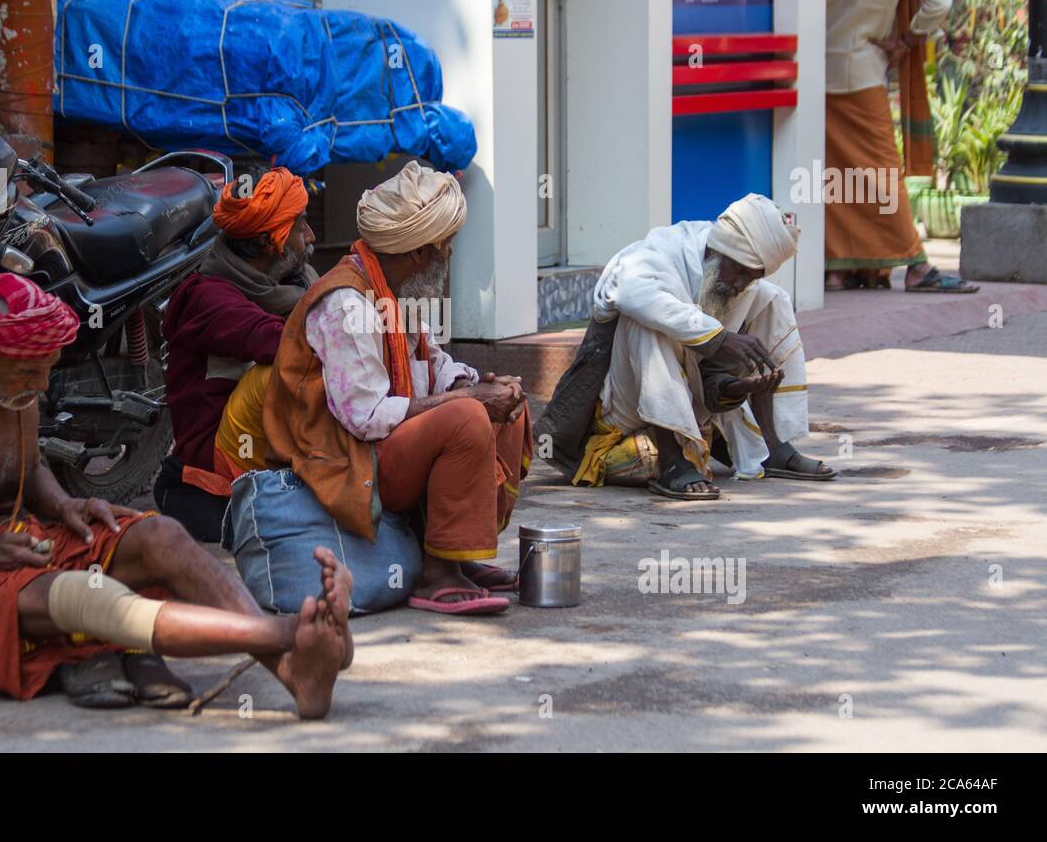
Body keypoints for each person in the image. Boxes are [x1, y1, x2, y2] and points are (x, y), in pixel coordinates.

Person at [0, 272, 350, 719]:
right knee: (92, 599)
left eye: (47, 370)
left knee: (161, 535)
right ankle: (289, 637)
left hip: (19, 543)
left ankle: (295, 672)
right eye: (28, 373)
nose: (40, 385)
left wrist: (65, 505)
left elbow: (32, 466)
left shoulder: (16, 389)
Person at [261, 161, 532, 615]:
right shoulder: (347, 303)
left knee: (507, 408)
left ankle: (461, 554)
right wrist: (466, 400)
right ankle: (437, 572)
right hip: (342, 461)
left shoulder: (395, 292)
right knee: (465, 417)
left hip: (379, 450)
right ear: (422, 253)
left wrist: (476, 384)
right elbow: (366, 417)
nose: (450, 256)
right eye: (445, 247)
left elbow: (432, 363)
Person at [571, 194, 835, 500]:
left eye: (751, 276)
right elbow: (628, 293)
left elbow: (705, 373)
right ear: (717, 250)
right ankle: (671, 462)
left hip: (693, 402)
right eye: (738, 271)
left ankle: (771, 446)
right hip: (623, 403)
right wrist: (721, 338)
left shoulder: (737, 283)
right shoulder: (658, 252)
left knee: (772, 298)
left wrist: (739, 386)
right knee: (645, 321)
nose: (739, 284)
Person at [824, 0, 977, 293]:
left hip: (813, 77)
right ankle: (916, 265)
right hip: (864, 71)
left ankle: (840, 269)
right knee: (881, 173)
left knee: (832, 176)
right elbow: (939, 3)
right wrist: (908, 40)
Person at [155, 167, 317, 542]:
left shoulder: (290, 285)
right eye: (300, 227)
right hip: (214, 466)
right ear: (268, 242)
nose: (309, 237)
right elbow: (281, 345)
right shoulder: (209, 298)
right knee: (285, 368)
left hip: (256, 450)